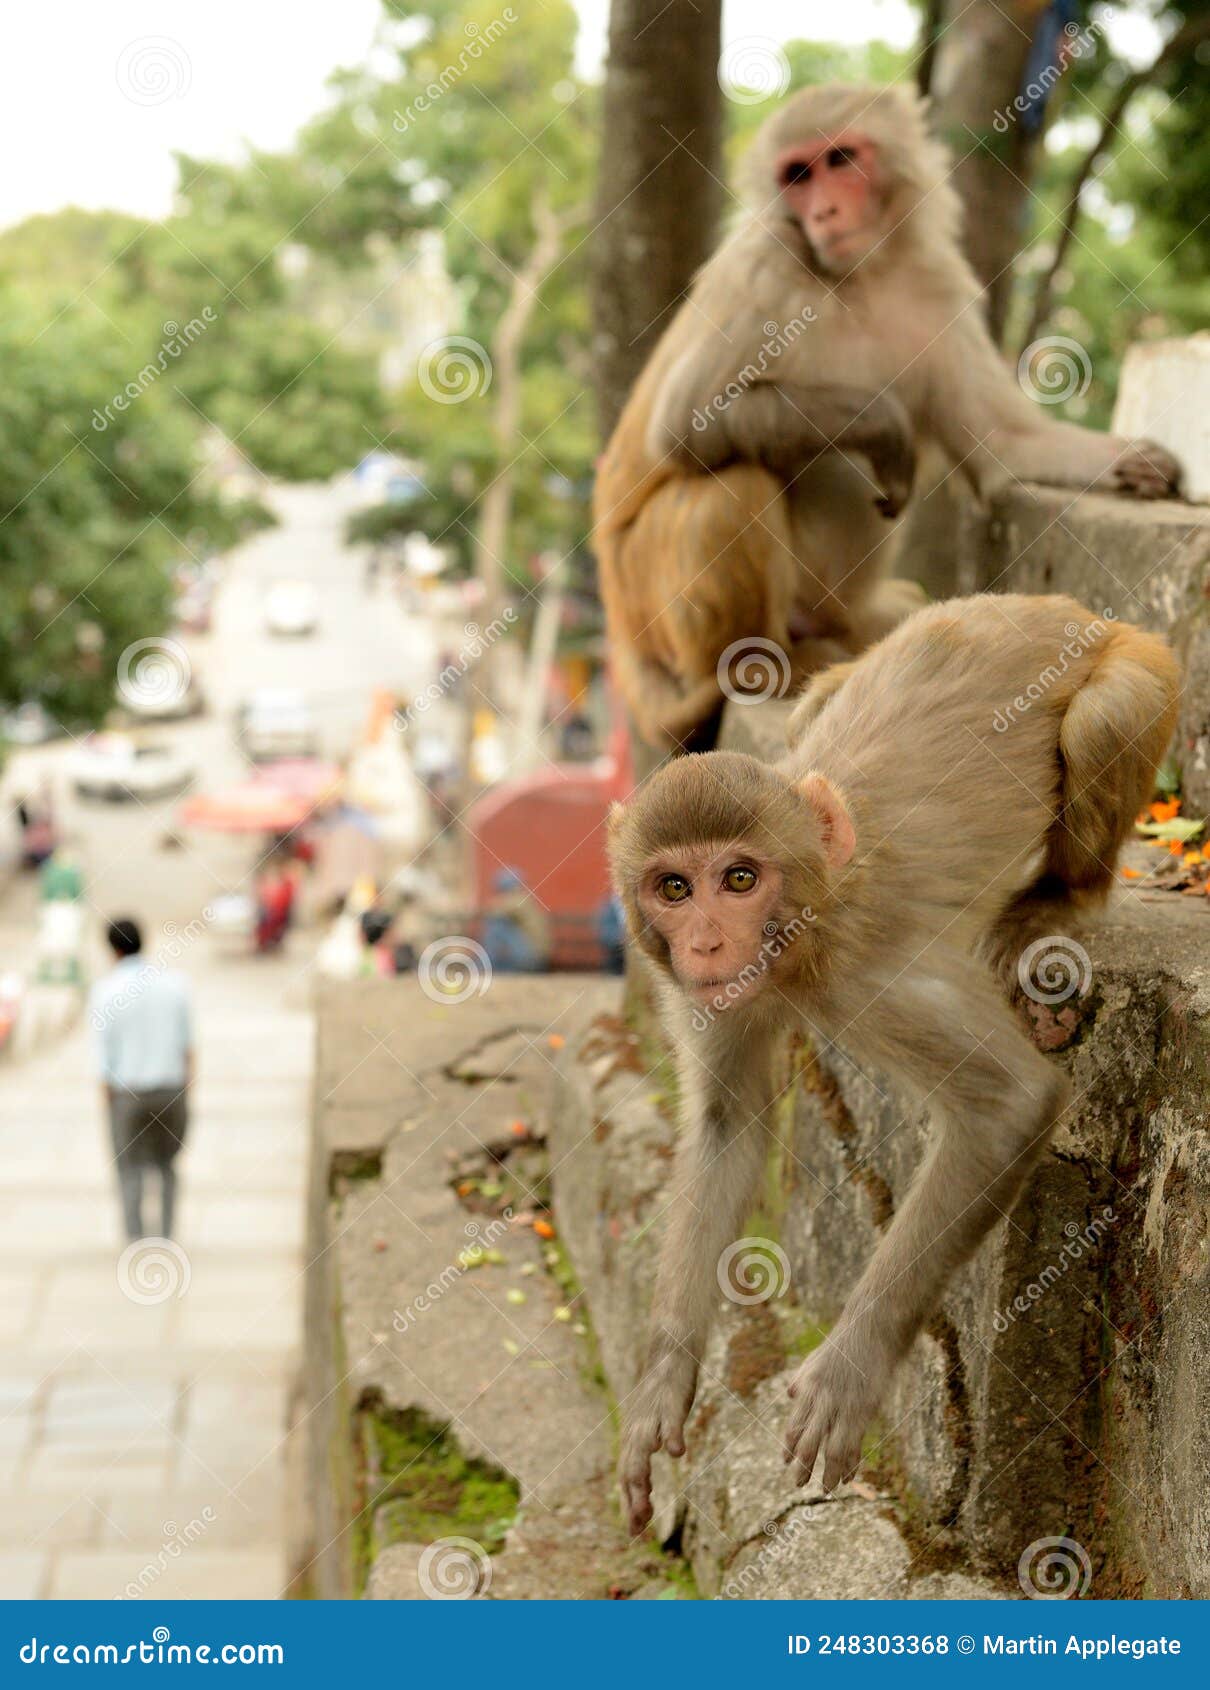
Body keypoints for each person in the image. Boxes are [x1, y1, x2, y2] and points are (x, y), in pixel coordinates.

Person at [88, 918, 193, 1243]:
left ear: (113, 949)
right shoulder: (174, 984)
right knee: (166, 1166)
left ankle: (135, 1238)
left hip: (127, 1092)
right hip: (170, 1088)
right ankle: (166, 1235)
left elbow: (103, 1057)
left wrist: (108, 1099)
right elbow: (188, 1047)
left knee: (129, 1168)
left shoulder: (105, 990)